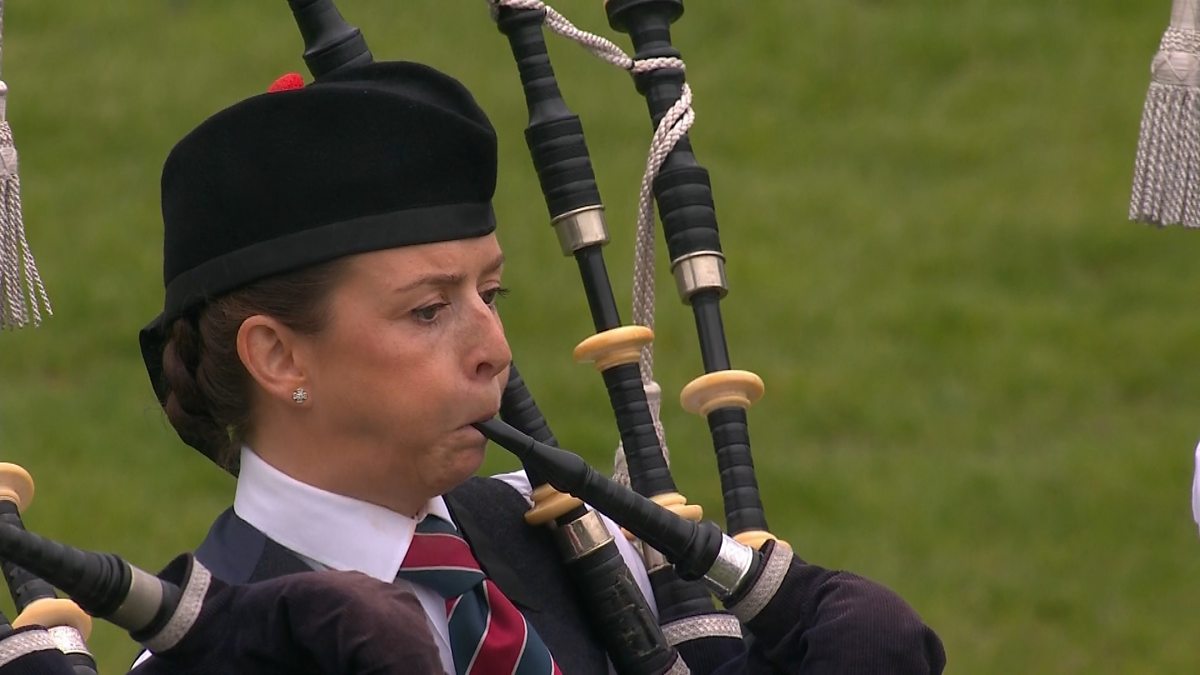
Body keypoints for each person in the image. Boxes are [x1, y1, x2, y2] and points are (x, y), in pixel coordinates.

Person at [114, 60, 946, 674]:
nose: (496, 349)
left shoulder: (571, 531)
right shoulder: (209, 655)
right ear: (277, 354)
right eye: (429, 310)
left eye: (491, 290)